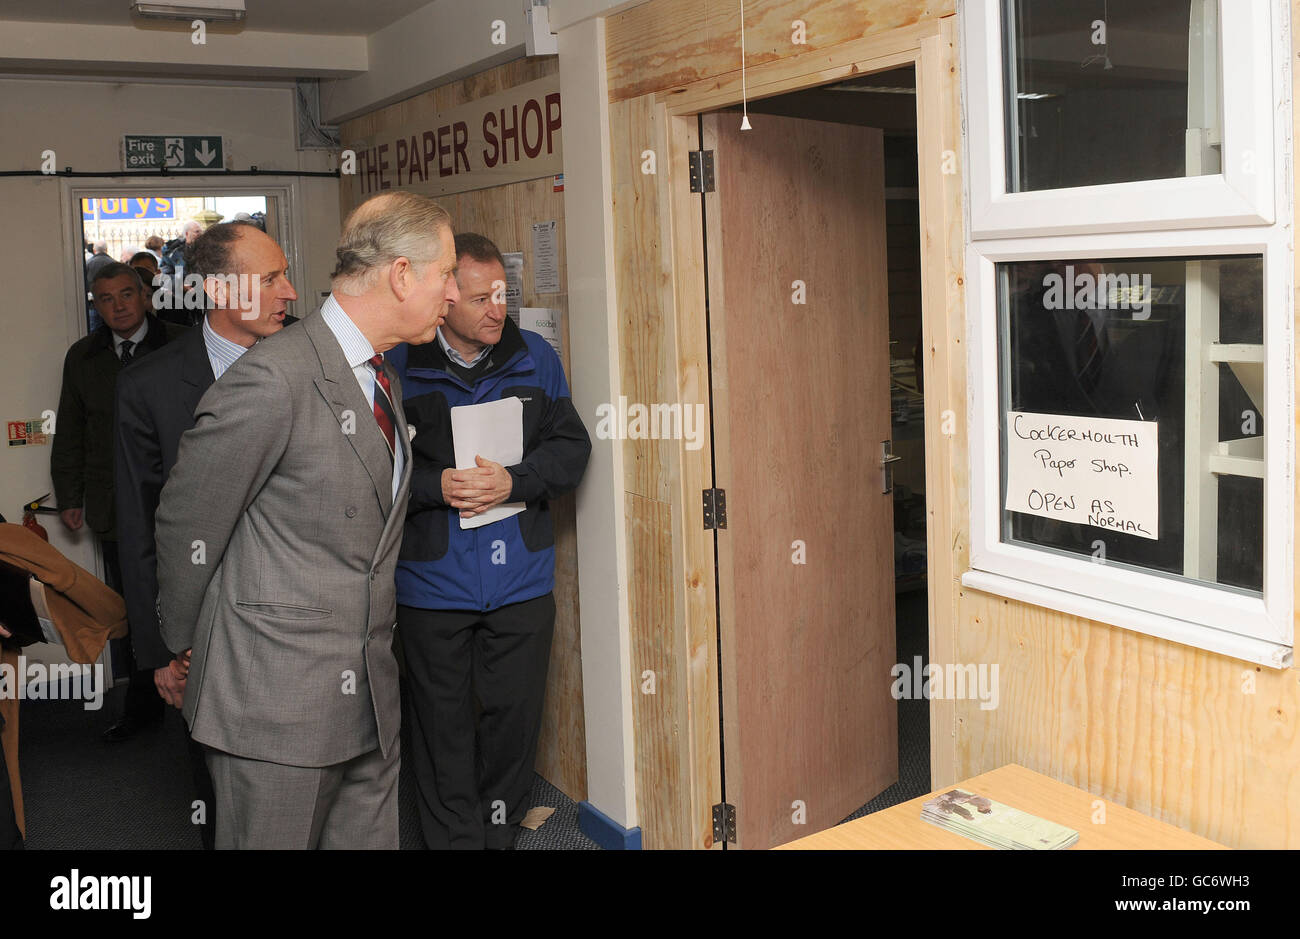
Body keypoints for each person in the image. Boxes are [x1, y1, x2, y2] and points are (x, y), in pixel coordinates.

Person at [154, 191, 458, 849]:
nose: (454, 294)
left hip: (371, 701)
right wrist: (185, 648)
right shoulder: (273, 379)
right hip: (275, 707)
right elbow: (189, 525)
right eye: (446, 275)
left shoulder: (381, 378)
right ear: (402, 275)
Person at [395, 232, 591, 850]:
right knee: (441, 729)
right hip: (432, 583)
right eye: (480, 298)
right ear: (446, 298)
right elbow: (371, 471)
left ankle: (497, 835)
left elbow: (571, 448)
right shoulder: (395, 365)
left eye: (502, 294)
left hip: (520, 582)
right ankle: (455, 843)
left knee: (512, 722)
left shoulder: (536, 357)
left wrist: (516, 480)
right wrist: (436, 487)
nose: (496, 309)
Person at [115, 221, 298, 850]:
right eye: (270, 278)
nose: (290, 291)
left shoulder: (318, 366)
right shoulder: (149, 386)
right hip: (207, 635)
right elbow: (138, 530)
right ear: (218, 291)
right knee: (221, 803)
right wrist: (160, 652)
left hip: (305, 626)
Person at [50, 263, 185, 741]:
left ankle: (200, 697)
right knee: (133, 606)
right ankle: (144, 706)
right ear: (96, 305)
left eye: (127, 294)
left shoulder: (181, 343)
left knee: (189, 596)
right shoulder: (83, 357)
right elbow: (70, 430)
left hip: (181, 500)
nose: (118, 305)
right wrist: (70, 495)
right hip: (116, 506)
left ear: (145, 295)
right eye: (105, 299)